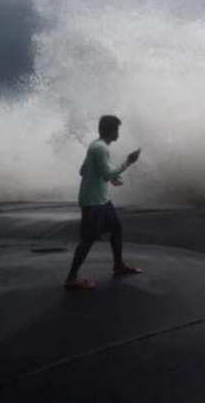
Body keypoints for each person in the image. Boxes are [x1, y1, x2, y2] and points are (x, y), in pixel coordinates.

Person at [64, 115, 142, 290]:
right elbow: (105, 173)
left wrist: (109, 177)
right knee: (88, 239)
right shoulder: (101, 148)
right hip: (93, 202)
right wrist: (128, 161)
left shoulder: (96, 145)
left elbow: (83, 170)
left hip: (102, 200)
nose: (118, 133)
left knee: (116, 228)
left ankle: (119, 265)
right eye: (117, 129)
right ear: (112, 131)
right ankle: (71, 277)